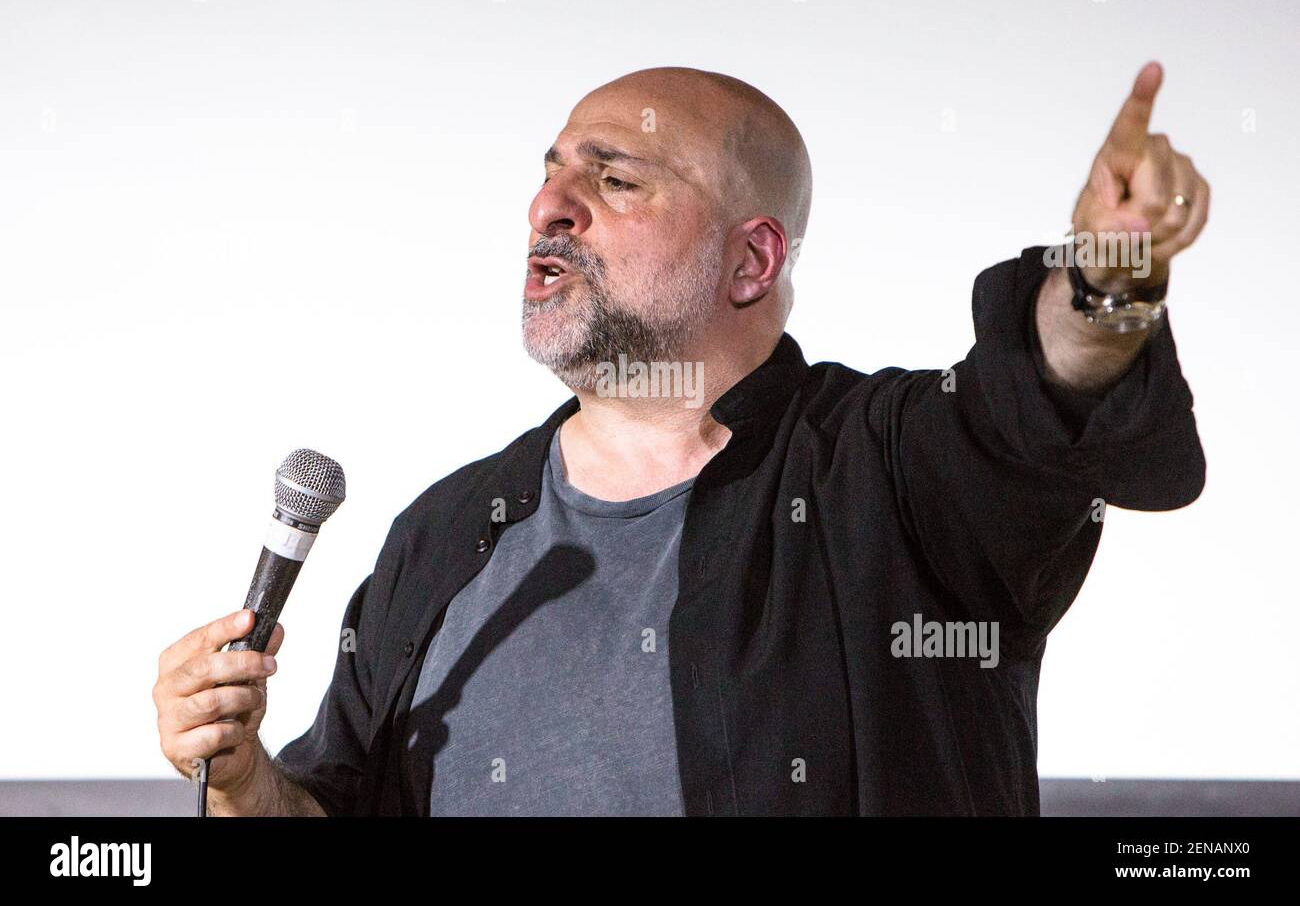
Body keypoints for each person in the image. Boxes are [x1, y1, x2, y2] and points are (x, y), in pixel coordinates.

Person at [154, 62, 1209, 815]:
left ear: (751, 261)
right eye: (552, 172)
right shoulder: (442, 534)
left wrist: (1105, 279)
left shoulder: (893, 468)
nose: (546, 207)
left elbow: (1045, 389)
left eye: (613, 180)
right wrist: (250, 784)